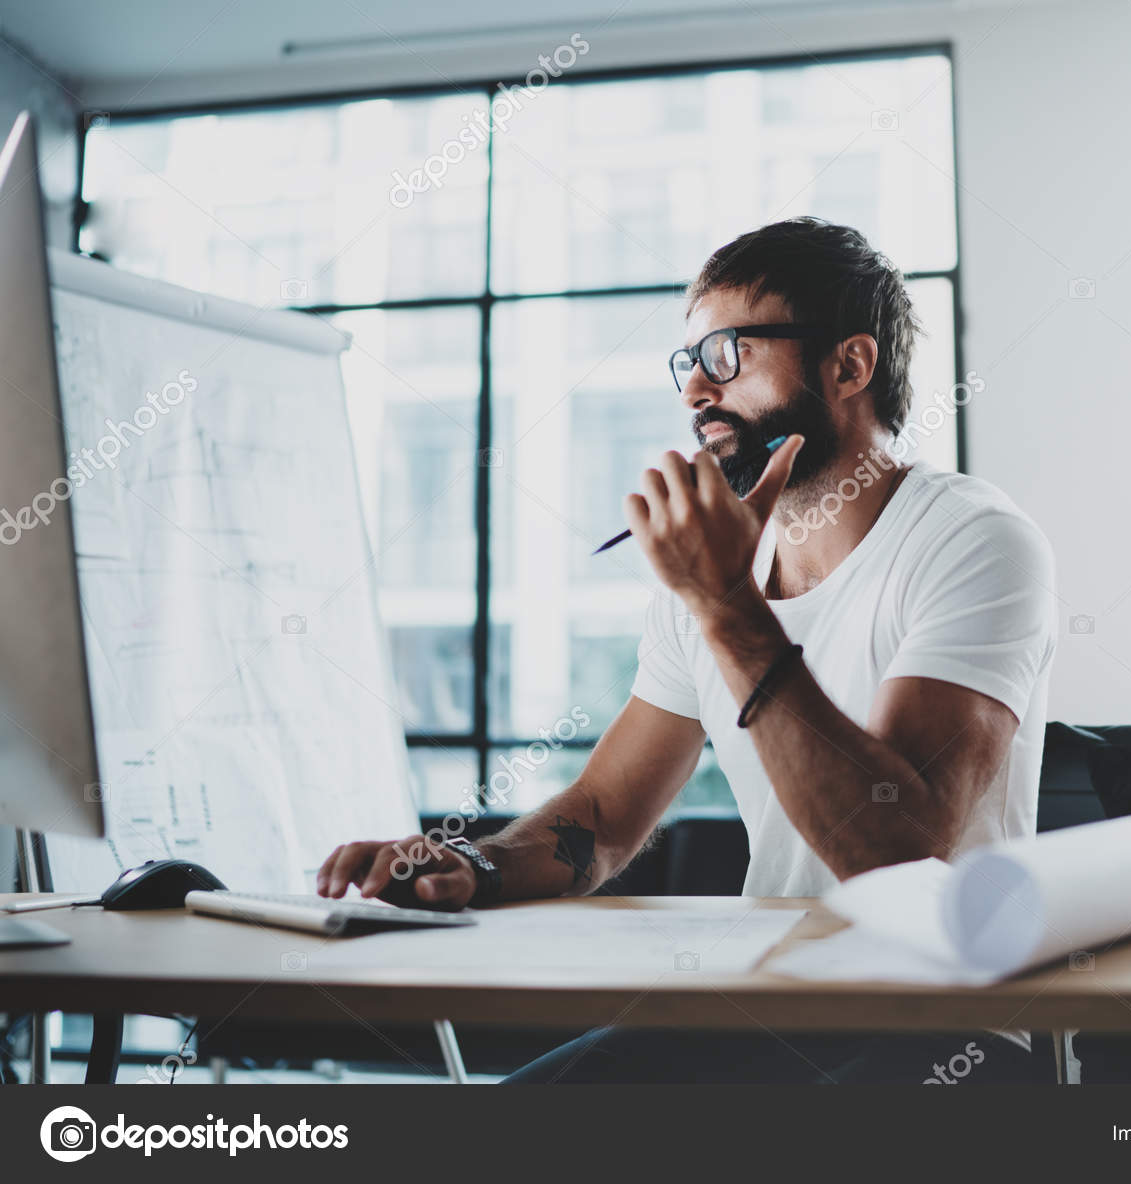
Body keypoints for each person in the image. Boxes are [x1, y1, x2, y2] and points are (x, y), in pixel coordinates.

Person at [317, 217, 1058, 1083]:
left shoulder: (974, 540)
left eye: (728, 354)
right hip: (774, 1002)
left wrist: (727, 607)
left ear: (849, 367)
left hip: (947, 1028)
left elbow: (896, 851)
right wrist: (475, 865)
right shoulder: (714, 577)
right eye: (690, 362)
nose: (697, 391)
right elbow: (603, 818)